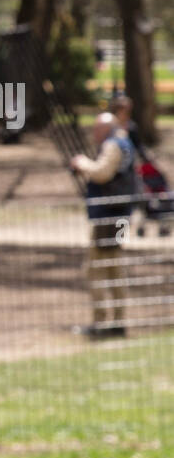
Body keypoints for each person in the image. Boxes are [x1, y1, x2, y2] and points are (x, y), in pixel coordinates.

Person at [70, 112, 137, 338]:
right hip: (121, 214)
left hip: (108, 215)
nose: (94, 133)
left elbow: (102, 173)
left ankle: (102, 322)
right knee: (114, 266)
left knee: (96, 269)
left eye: (97, 128)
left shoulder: (112, 145)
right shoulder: (126, 142)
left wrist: (82, 163)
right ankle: (118, 321)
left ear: (106, 128)